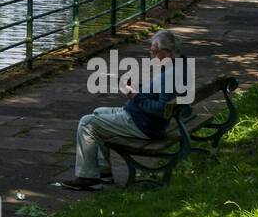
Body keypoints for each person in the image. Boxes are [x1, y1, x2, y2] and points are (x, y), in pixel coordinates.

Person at [61, 29, 184, 191]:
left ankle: (87, 177)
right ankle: (104, 173)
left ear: (167, 52)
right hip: (142, 119)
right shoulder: (174, 67)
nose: (152, 56)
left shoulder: (170, 74)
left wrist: (135, 97)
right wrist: (136, 89)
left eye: (154, 52)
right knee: (98, 112)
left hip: (142, 125)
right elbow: (157, 97)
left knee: (87, 123)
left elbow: (161, 109)